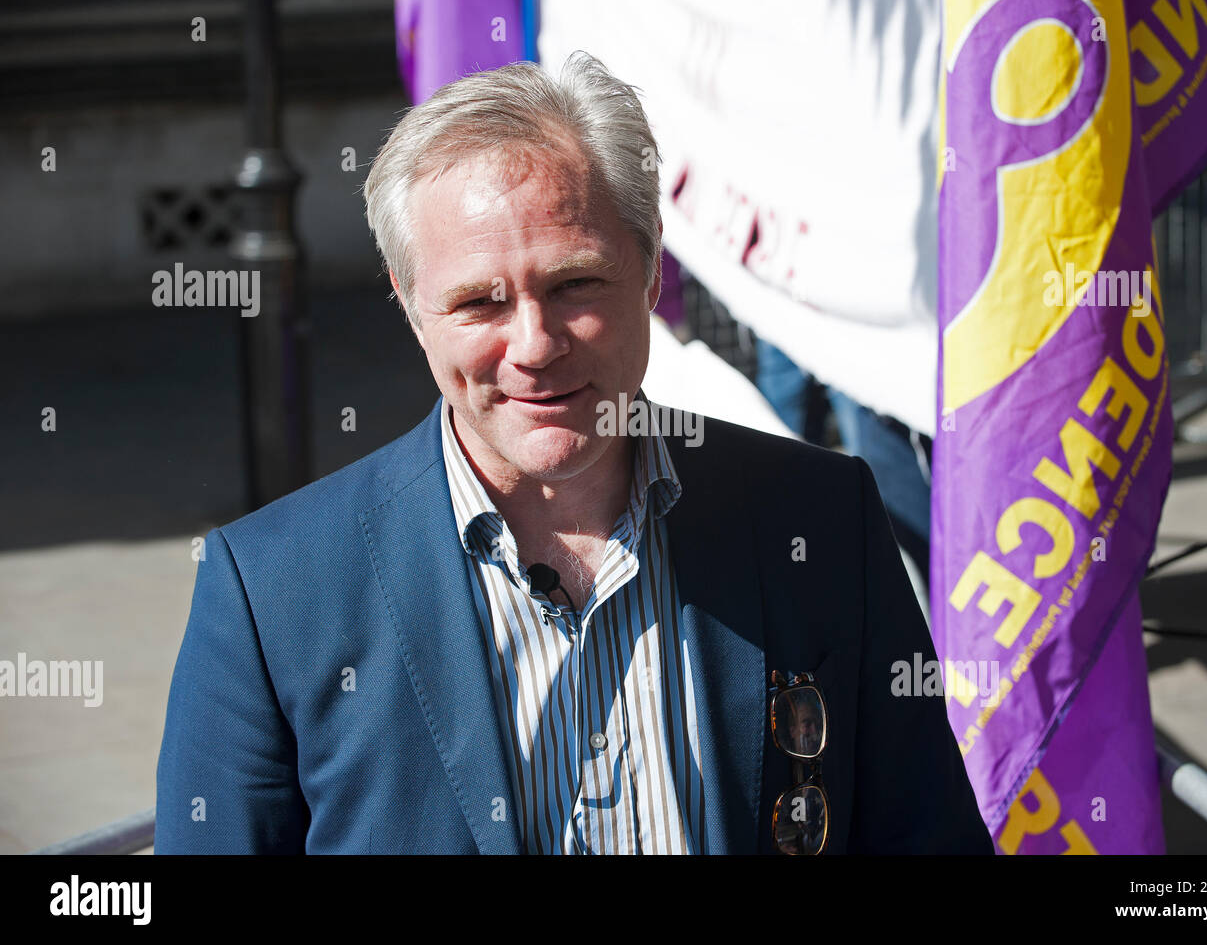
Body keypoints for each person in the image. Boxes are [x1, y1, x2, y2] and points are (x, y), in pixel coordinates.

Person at [155, 52, 991, 855]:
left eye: (574, 284)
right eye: (480, 302)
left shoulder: (820, 519)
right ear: (411, 307)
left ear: (652, 269)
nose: (535, 344)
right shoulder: (271, 592)